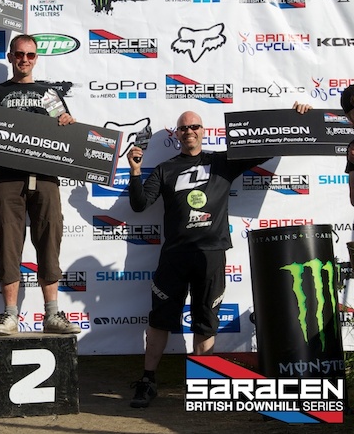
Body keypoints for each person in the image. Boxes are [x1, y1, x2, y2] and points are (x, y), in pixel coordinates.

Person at [125, 103, 311, 408]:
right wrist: (135, 171)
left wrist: (295, 117)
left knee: (205, 322)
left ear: (203, 131)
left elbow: (266, 148)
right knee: (159, 320)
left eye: (194, 126)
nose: (189, 131)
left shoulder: (222, 161)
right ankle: (148, 381)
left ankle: (202, 384)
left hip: (211, 255)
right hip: (174, 256)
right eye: (183, 128)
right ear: (176, 134)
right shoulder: (164, 169)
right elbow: (139, 204)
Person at [0, 34, 81, 336]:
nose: (24, 60)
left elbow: (68, 133)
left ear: (36, 58)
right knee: (8, 244)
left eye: (30, 55)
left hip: (45, 176)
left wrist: (68, 124)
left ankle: (52, 314)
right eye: (19, 54)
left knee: (49, 241)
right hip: (8, 177)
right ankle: (9, 314)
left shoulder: (49, 93)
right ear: (10, 57)